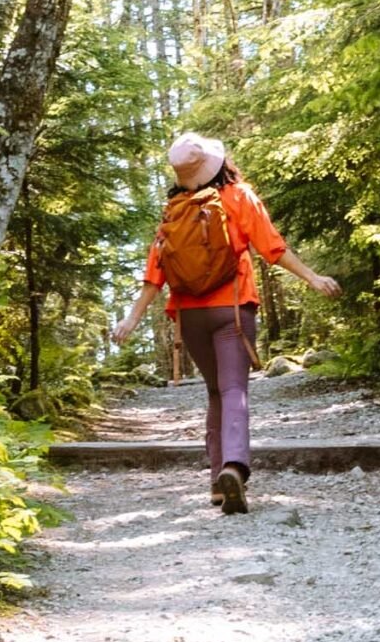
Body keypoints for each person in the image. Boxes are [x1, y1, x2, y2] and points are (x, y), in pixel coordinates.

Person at [111, 132, 340, 514]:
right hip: (232, 308)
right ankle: (233, 465)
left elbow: (155, 273)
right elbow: (272, 247)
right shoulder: (238, 196)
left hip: (189, 315)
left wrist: (132, 318)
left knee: (215, 392)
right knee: (234, 389)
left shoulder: (173, 210)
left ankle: (218, 482)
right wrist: (313, 277)